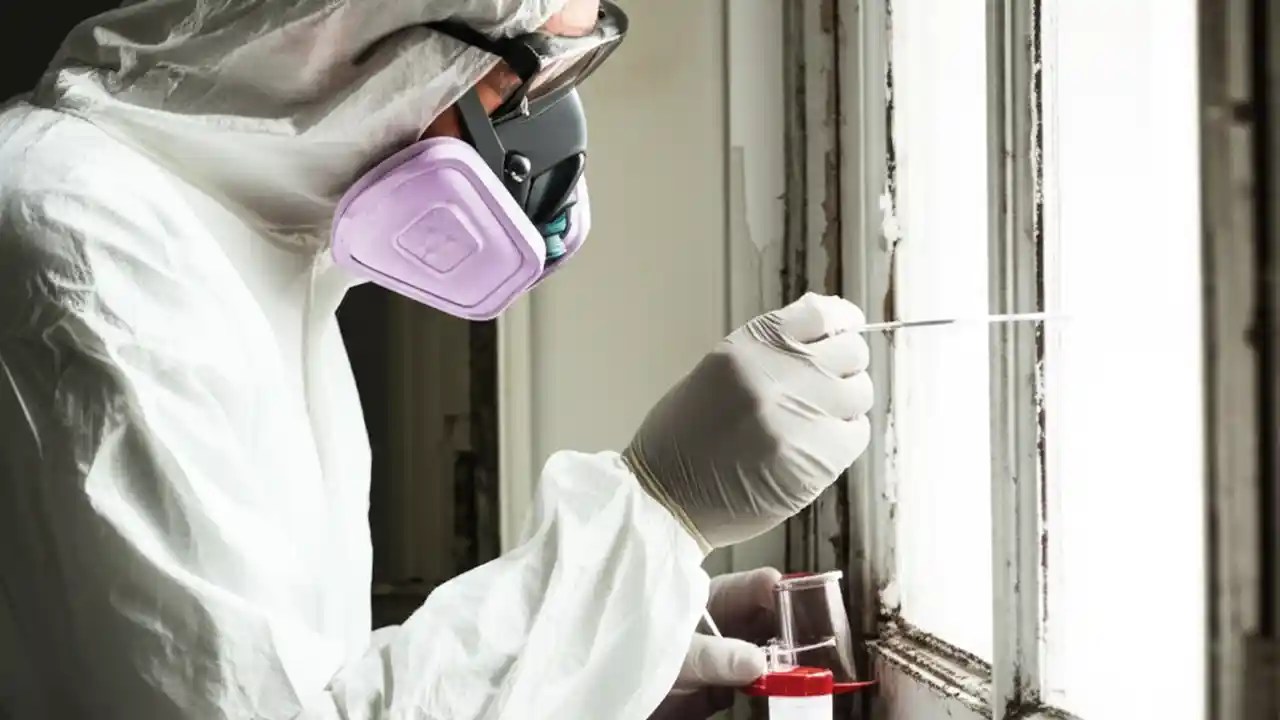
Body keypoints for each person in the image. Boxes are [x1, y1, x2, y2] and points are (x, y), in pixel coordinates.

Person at [0, 0, 874, 717]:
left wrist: (608, 647)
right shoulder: (85, 244)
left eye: (578, 66)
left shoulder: (251, 242)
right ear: (349, 36)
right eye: (526, 71)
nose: (543, 137)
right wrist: (654, 512)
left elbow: (302, 675)